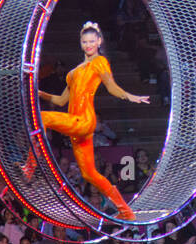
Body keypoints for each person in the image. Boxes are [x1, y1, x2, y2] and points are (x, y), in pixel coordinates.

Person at [24, 22, 148, 220]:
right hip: (76, 125)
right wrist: (39, 93)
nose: (89, 45)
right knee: (89, 174)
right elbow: (61, 100)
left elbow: (111, 86)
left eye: (92, 41)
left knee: (43, 117)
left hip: (84, 121)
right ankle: (126, 211)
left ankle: (29, 167)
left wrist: (129, 96)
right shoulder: (73, 73)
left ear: (99, 41)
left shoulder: (99, 62)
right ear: (80, 43)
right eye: (85, 41)